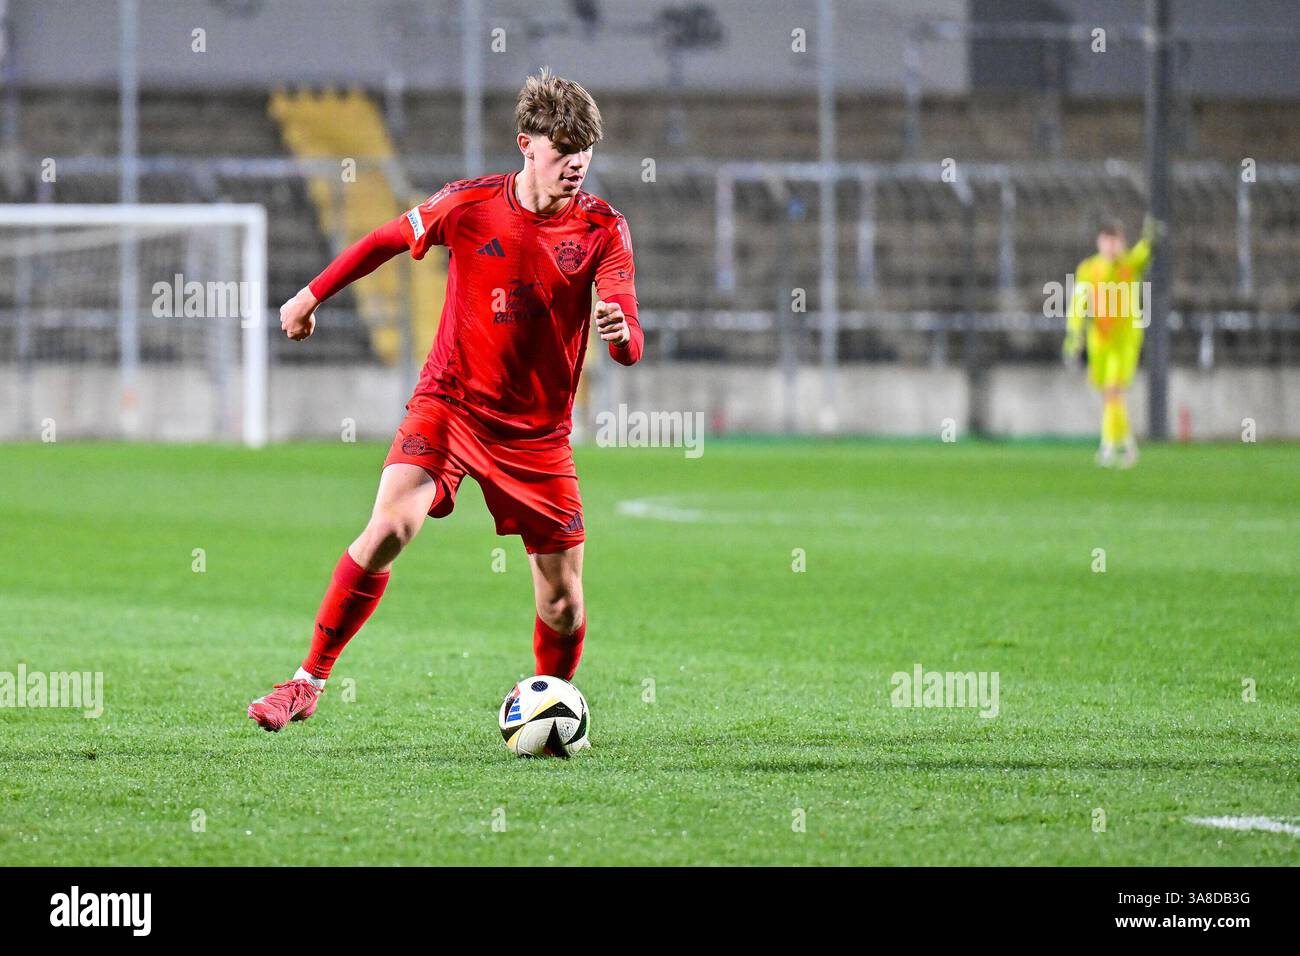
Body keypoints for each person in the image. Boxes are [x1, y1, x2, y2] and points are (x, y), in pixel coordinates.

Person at [248, 69, 642, 731]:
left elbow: (629, 340)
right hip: (450, 405)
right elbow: (383, 242)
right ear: (526, 144)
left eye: (584, 150)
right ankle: (306, 682)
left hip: (537, 436)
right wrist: (310, 296)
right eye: (562, 149)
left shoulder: (604, 229)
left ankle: (550, 704)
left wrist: (622, 333)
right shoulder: (469, 205)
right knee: (387, 531)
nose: (575, 163)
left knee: (563, 603)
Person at [1063, 215, 1161, 468]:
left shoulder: (1129, 264)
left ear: (1122, 242)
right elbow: (1078, 303)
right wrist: (1075, 334)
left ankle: (1108, 446)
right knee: (1110, 395)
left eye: (1116, 240)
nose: (1111, 245)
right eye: (1107, 240)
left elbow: (1145, 250)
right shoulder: (1088, 269)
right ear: (1099, 242)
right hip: (1100, 339)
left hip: (1125, 339)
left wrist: (1152, 236)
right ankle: (1127, 443)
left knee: (1113, 390)